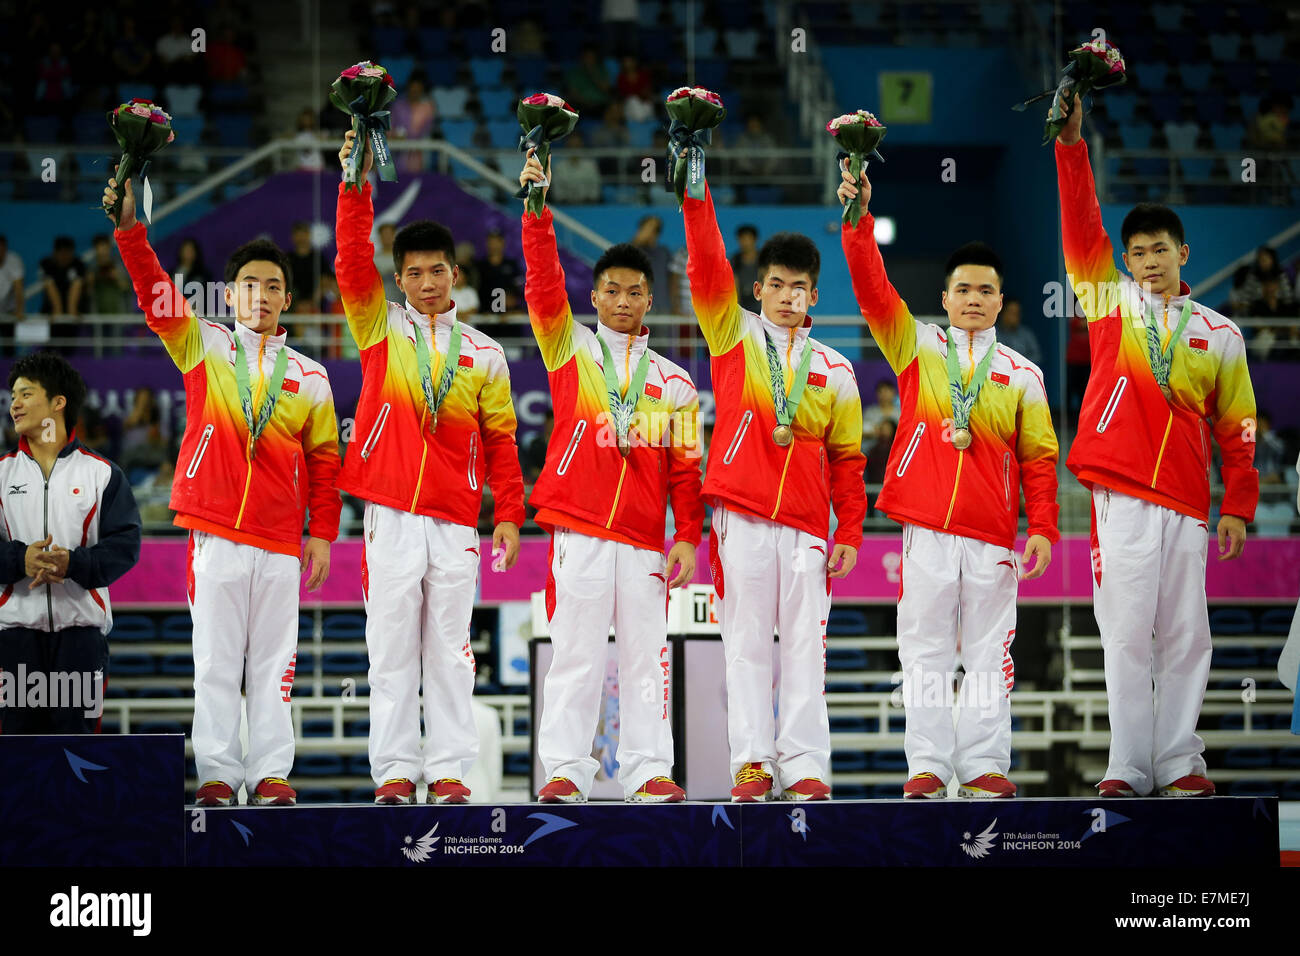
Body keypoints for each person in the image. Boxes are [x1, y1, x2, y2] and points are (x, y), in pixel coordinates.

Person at [105, 171, 342, 808]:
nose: (259, 295)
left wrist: (321, 535)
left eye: (272, 286)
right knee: (214, 663)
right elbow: (156, 296)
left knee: (275, 668)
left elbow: (324, 465)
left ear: (287, 299)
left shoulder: (310, 377)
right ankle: (216, 774)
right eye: (248, 286)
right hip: (215, 533)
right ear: (229, 297)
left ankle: (269, 775)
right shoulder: (204, 348)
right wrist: (132, 230)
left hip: (281, 543)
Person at [1054, 92, 1258, 797]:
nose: (1145, 261)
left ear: (1183, 253)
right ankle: (1127, 765)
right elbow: (1082, 235)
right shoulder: (1112, 307)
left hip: (1189, 503)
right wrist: (1071, 148)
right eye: (1135, 252)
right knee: (1126, 631)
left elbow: (1238, 429)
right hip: (1123, 494)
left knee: (1185, 636)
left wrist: (1238, 504)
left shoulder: (1219, 333)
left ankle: (1179, 762)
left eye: (1158, 250)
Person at [839, 164, 1060, 799]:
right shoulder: (916, 348)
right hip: (926, 531)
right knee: (925, 653)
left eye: (985, 291)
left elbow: (1041, 459)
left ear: (1000, 300)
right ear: (944, 297)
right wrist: (858, 219)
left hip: (993, 534)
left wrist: (1042, 527)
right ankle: (929, 766)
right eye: (962, 288)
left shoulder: (1023, 374)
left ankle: (986, 764)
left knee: (990, 655)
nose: (972, 298)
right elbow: (873, 290)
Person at [335, 129, 526, 805]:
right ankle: (392, 773)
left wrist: (508, 515)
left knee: (451, 654)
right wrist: (354, 181)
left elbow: (503, 444)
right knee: (389, 652)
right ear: (399, 279)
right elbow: (350, 260)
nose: (424, 282)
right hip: (388, 513)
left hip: (454, 521)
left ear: (456, 274)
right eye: (412, 272)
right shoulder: (379, 327)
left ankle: (448, 772)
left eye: (435, 271)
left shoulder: (485, 354)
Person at [680, 142, 868, 803]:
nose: (789, 296)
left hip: (810, 529)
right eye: (777, 285)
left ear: (815, 294)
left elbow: (849, 460)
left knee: (806, 654)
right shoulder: (733, 339)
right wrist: (695, 189)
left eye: (801, 287)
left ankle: (807, 765)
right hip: (741, 519)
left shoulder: (837, 370)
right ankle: (754, 763)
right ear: (758, 290)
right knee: (747, 648)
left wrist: (850, 533)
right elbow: (705, 266)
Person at [519, 148, 703, 804]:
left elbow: (686, 471)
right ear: (593, 296)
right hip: (580, 531)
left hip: (646, 541)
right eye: (612, 290)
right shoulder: (571, 349)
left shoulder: (674, 381)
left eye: (634, 291)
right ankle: (566, 771)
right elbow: (541, 283)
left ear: (649, 299)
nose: (623, 300)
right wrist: (536, 211)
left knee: (648, 659)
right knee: (574, 655)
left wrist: (688, 537)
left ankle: (649, 769)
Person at [0, 351, 142, 733]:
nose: (14, 403)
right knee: (17, 752)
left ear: (58, 402)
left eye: (26, 394)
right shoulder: (0, 474)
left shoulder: (102, 475)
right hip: (15, 637)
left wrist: (74, 565)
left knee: (75, 750)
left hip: (81, 638)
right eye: (13, 395)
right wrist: (19, 560)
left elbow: (125, 546)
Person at [40, 236, 85, 346]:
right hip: (51, 313)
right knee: (50, 349)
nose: (65, 256)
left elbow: (77, 285)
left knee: (68, 348)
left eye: (68, 252)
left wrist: (72, 310)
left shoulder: (78, 264)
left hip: (72, 314)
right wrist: (57, 310)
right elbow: (49, 285)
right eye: (61, 252)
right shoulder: (46, 264)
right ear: (55, 253)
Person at [993, 298, 1042, 367]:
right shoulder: (992, 332)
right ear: (1002, 313)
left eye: (1017, 313)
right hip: (999, 372)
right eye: (1011, 312)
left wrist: (1020, 363)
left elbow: (1037, 356)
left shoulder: (1026, 333)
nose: (1014, 316)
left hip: (1022, 372)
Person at [0, 234, 25, 356]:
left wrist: (19, 310)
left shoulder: (13, 261)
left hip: (9, 310)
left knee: (9, 347)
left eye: (2, 249)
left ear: (5, 248)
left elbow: (18, 288)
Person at [730, 224, 761, 314]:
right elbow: (734, 285)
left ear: (755, 240)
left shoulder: (764, 260)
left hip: (762, 308)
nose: (745, 243)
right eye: (742, 239)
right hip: (742, 309)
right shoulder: (734, 261)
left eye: (748, 239)